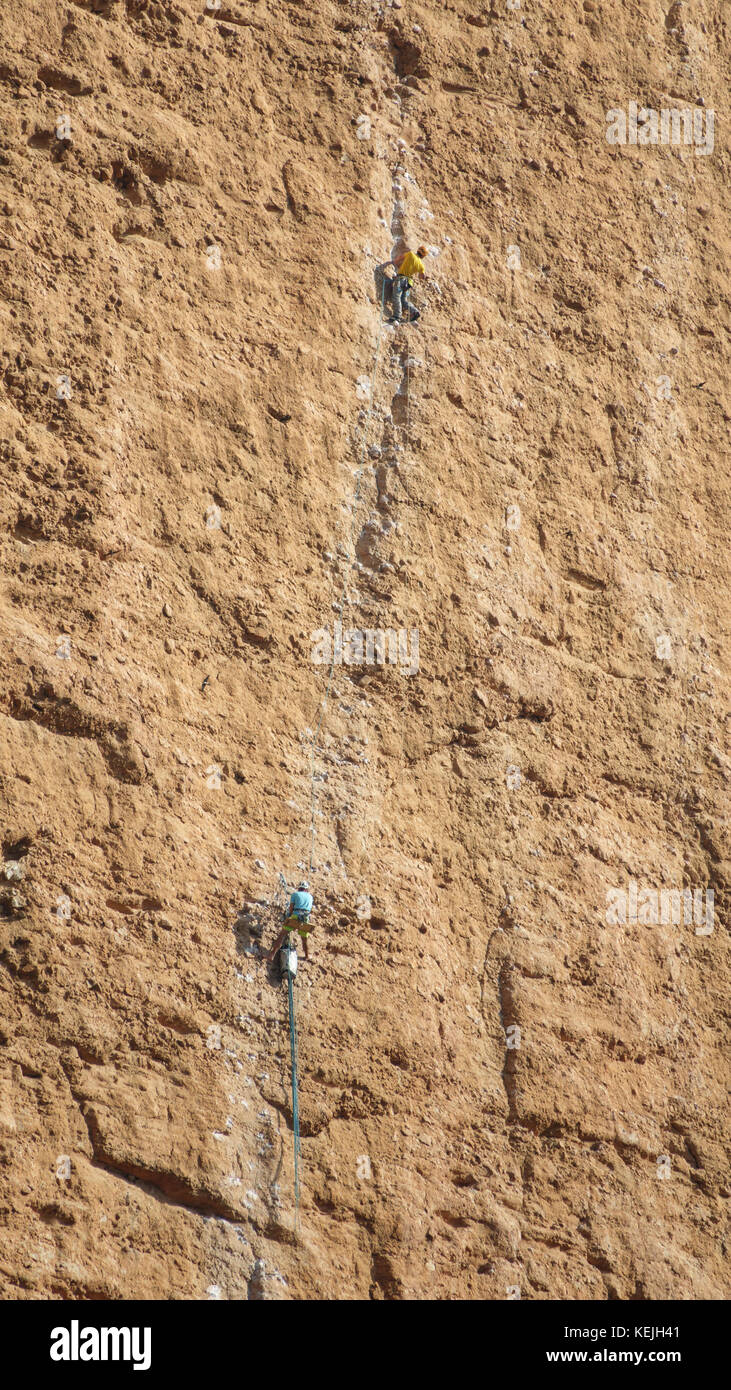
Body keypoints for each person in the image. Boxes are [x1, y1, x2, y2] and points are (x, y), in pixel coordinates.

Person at [265, 881, 314, 962]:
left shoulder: (295, 894)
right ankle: (307, 955)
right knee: (304, 939)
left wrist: (289, 916)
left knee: (282, 935)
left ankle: (271, 955)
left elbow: (291, 908)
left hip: (295, 916)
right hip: (305, 918)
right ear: (307, 889)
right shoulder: (310, 897)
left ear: (299, 888)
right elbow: (310, 909)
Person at [389, 244, 429, 324]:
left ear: (418, 250)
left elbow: (399, 258)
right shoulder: (421, 265)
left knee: (396, 297)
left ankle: (397, 316)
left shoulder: (410, 254)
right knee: (403, 300)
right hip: (409, 283)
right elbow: (421, 277)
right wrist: (425, 277)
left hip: (401, 279)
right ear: (423, 256)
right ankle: (414, 311)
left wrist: (392, 263)